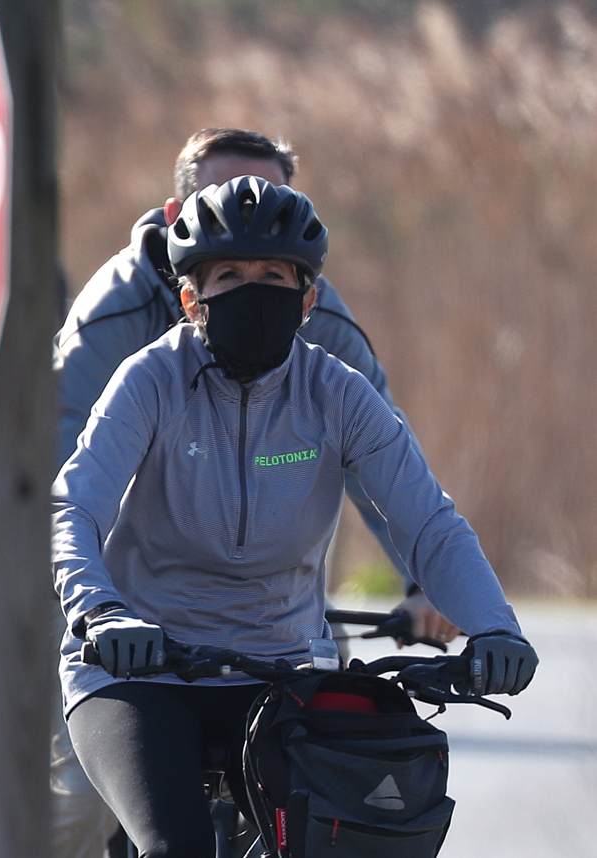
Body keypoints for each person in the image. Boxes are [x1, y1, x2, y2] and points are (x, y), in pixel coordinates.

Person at [52, 176, 537, 858]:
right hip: (140, 672)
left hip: (280, 670)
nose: (253, 288)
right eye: (229, 275)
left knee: (349, 843)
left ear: (307, 299)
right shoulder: (149, 380)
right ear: (192, 299)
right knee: (175, 848)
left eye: (273, 274)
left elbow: (430, 524)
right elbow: (76, 506)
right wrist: (100, 612)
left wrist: (495, 628)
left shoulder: (338, 394)